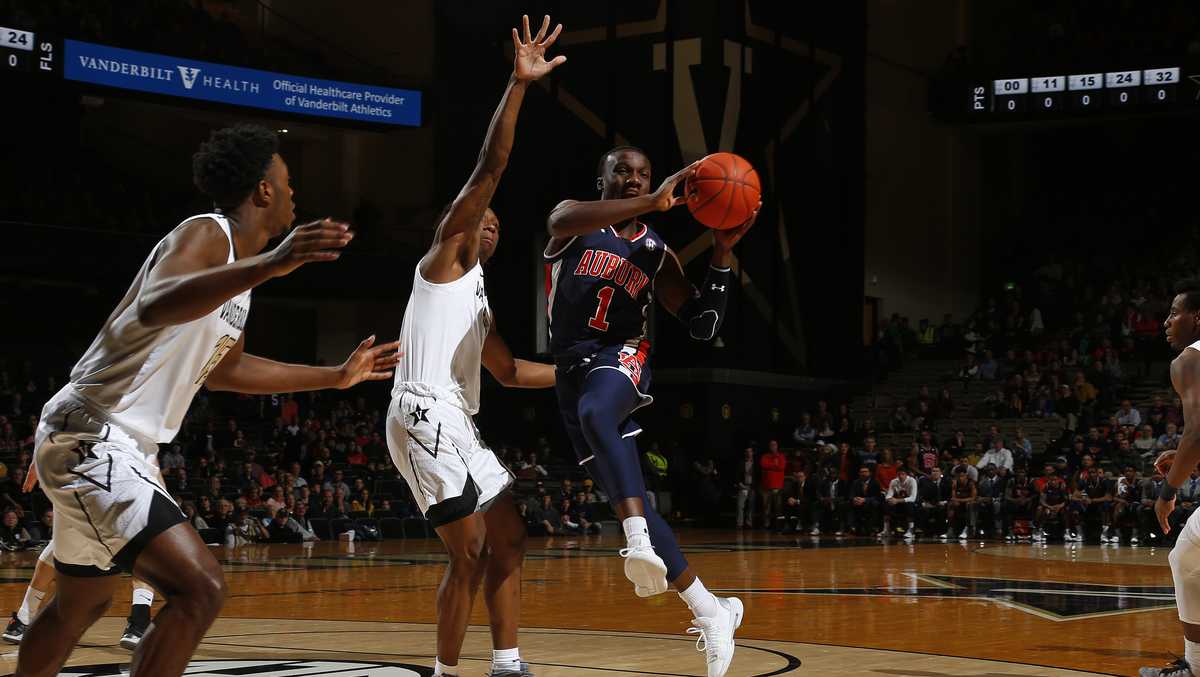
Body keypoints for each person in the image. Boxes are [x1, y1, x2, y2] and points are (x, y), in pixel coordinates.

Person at [18, 123, 399, 677]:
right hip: (98, 434)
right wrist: (272, 263)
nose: (295, 194)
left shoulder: (238, 279)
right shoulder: (205, 233)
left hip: (108, 439)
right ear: (263, 190)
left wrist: (335, 377)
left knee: (81, 603)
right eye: (287, 181)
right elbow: (155, 304)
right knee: (200, 589)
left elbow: (227, 370)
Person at [384, 16, 564, 677]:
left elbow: (512, 371)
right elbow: (493, 164)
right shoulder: (444, 259)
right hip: (422, 409)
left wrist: (581, 370)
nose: (485, 223)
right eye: (477, 215)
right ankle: (444, 671)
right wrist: (518, 85)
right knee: (469, 552)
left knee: (508, 534)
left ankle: (508, 662)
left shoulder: (478, 298)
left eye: (493, 222)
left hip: (457, 418)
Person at [542, 135, 758, 675]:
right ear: (603, 181)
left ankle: (634, 541)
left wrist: (724, 253)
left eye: (642, 172)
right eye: (622, 171)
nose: (634, 178)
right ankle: (712, 609)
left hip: (620, 358)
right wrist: (652, 200)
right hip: (571, 369)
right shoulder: (577, 222)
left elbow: (702, 325)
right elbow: (557, 219)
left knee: (600, 418)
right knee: (629, 493)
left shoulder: (655, 251)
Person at [1144, 280, 1200, 675]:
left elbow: (1198, 429)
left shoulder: (1189, 360)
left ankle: (1195, 666)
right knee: (1186, 557)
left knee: (1186, 557)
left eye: (1173, 312)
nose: (1166, 322)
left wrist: (1167, 491)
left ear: (1197, 318)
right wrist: (1182, 454)